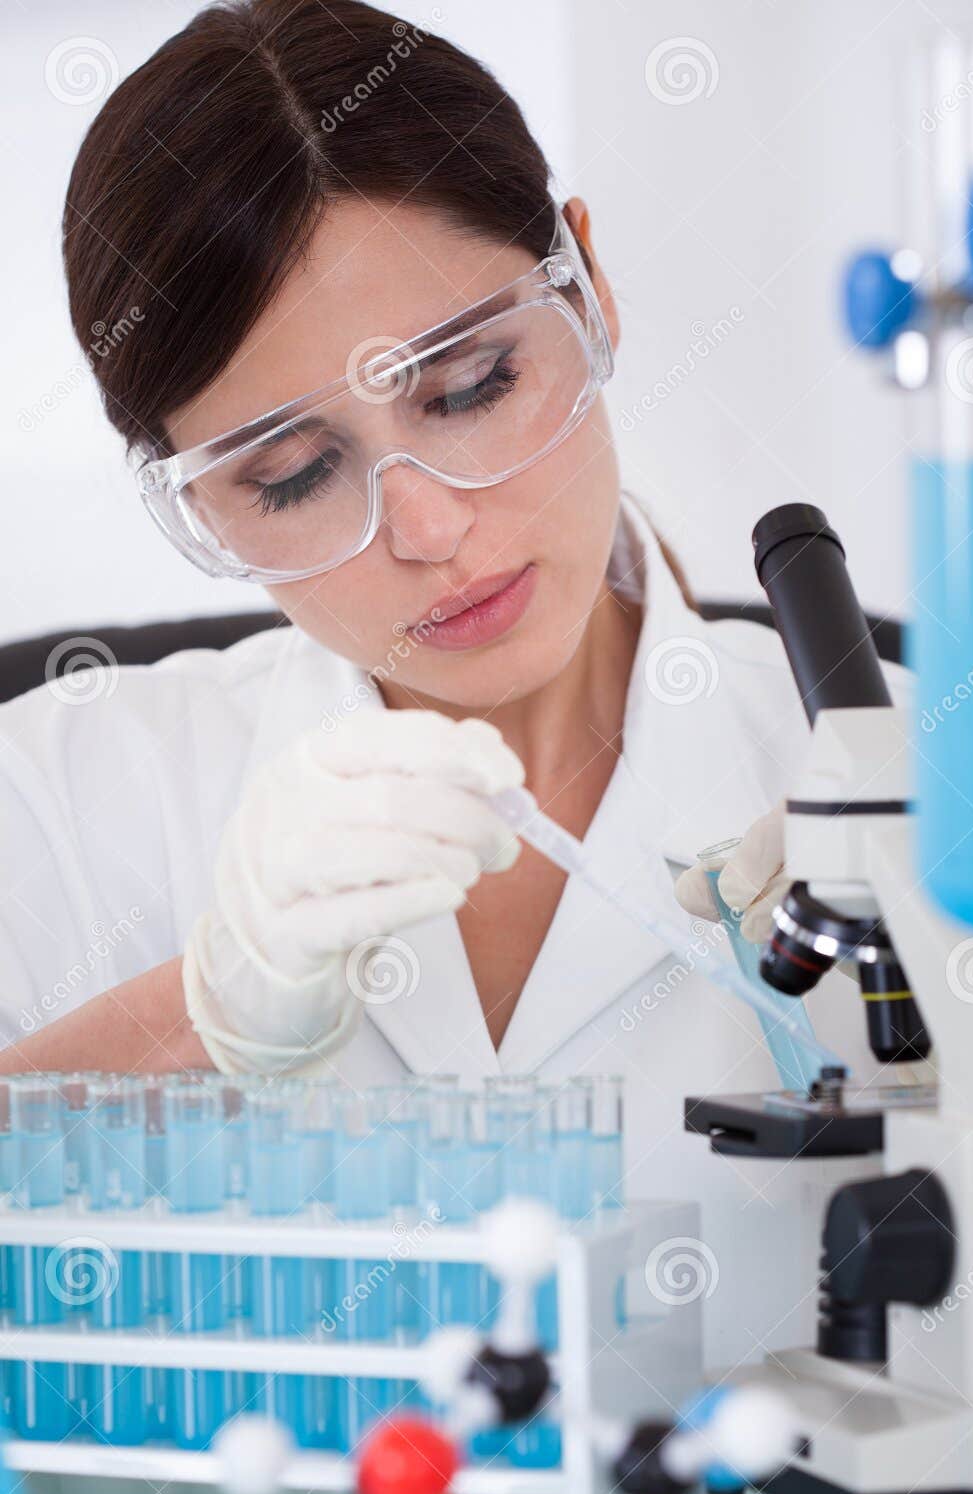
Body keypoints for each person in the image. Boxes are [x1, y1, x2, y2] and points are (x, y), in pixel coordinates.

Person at [0, 0, 900, 1360]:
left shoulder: (915, 763)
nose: (426, 526)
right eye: (291, 475)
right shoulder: (59, 797)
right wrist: (193, 1015)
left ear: (586, 288)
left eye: (472, 384)